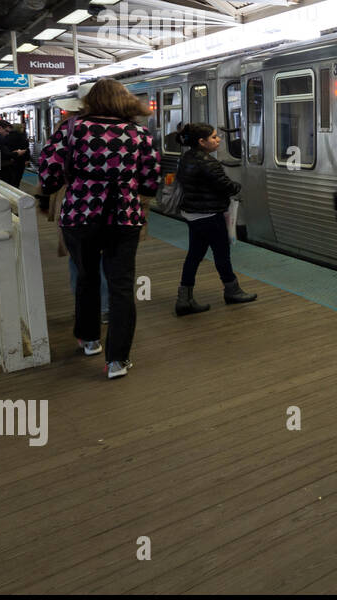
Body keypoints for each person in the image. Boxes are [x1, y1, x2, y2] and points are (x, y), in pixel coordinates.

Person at [38, 79, 160, 380]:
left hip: (81, 215)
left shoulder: (71, 129)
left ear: (90, 101)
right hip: (124, 217)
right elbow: (150, 181)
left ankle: (89, 340)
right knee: (121, 287)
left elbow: (49, 172)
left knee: (86, 278)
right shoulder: (140, 133)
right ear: (125, 101)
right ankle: (117, 361)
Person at [171, 122, 257, 315]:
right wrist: (237, 187)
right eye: (214, 137)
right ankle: (232, 291)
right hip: (210, 214)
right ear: (202, 142)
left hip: (193, 214)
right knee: (221, 254)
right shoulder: (208, 162)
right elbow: (226, 186)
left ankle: (184, 298)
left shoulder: (187, 158)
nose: (218, 140)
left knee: (194, 255)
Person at [42, 96, 109, 326]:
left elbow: (50, 173)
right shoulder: (122, 128)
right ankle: (108, 307)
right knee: (109, 258)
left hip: (77, 204)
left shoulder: (67, 131)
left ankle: (89, 311)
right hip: (114, 205)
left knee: (80, 260)